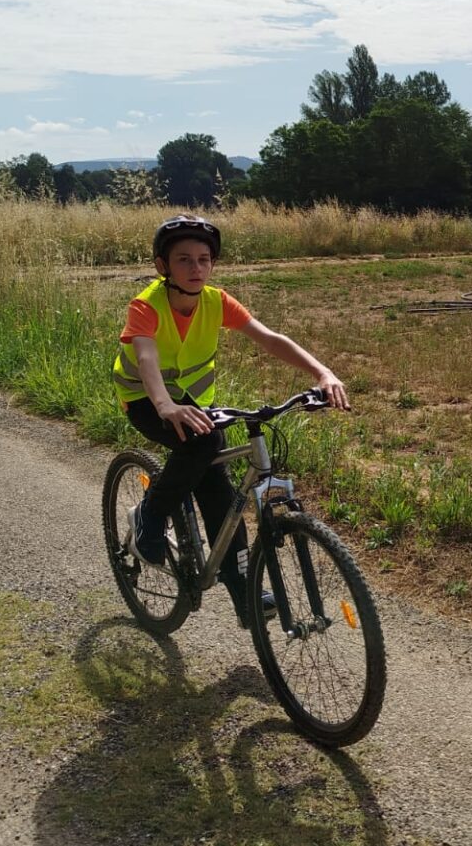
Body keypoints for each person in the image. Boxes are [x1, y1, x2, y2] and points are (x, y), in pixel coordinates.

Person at [111, 215, 349, 627]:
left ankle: (243, 589)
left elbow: (269, 337)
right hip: (145, 400)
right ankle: (151, 515)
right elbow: (146, 357)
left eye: (204, 259)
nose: (196, 268)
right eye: (183, 259)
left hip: (194, 401)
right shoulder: (146, 305)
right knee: (203, 446)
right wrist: (165, 406)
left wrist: (322, 373)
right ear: (162, 266)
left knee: (219, 484)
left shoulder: (216, 301)